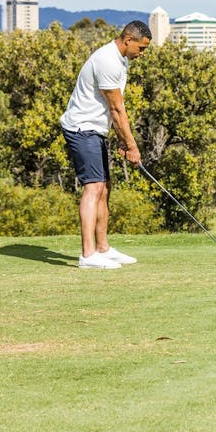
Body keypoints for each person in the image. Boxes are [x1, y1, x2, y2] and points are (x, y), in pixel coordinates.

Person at [61, 20, 152, 269]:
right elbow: (117, 109)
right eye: (141, 48)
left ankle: (103, 248)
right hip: (82, 128)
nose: (142, 54)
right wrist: (132, 146)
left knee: (104, 187)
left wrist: (123, 140)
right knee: (94, 187)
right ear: (128, 40)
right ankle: (88, 255)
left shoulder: (120, 60)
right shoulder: (108, 61)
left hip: (95, 129)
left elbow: (112, 111)